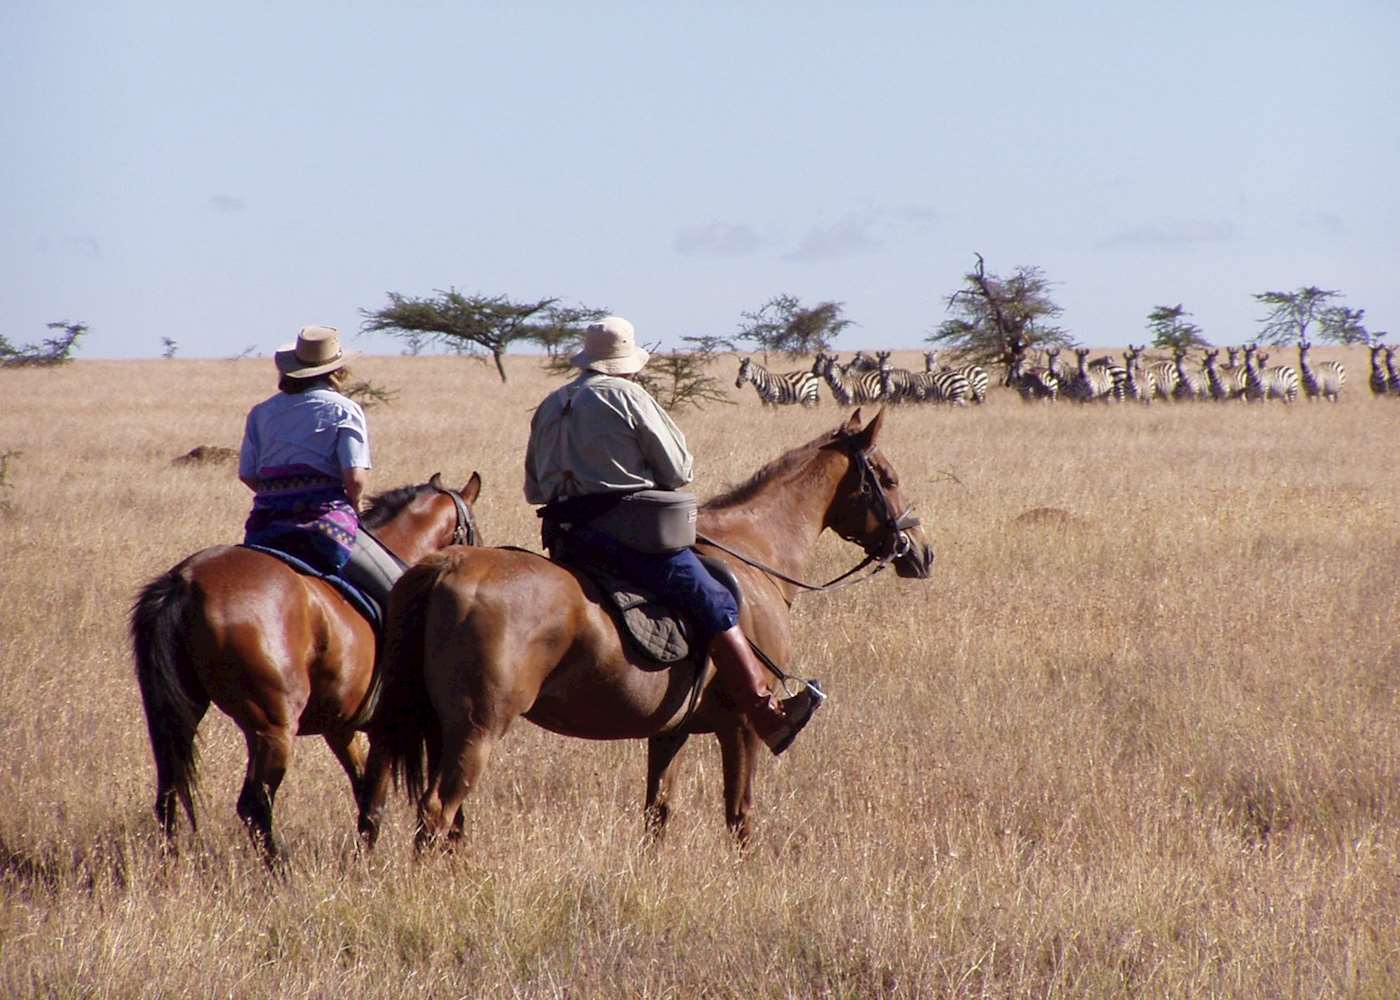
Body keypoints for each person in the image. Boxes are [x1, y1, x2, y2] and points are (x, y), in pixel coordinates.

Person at [524, 316, 822, 755]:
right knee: (715, 597)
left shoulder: (552, 402)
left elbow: (533, 486)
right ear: (626, 360)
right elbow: (679, 469)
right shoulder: (629, 396)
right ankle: (765, 711)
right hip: (626, 533)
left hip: (565, 538)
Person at [239, 326, 374, 581]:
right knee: (387, 582)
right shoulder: (345, 409)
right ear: (337, 370)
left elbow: (247, 474)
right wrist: (355, 506)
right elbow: (355, 478)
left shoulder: (261, 412)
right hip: (327, 527)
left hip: (265, 525)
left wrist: (280, 495)